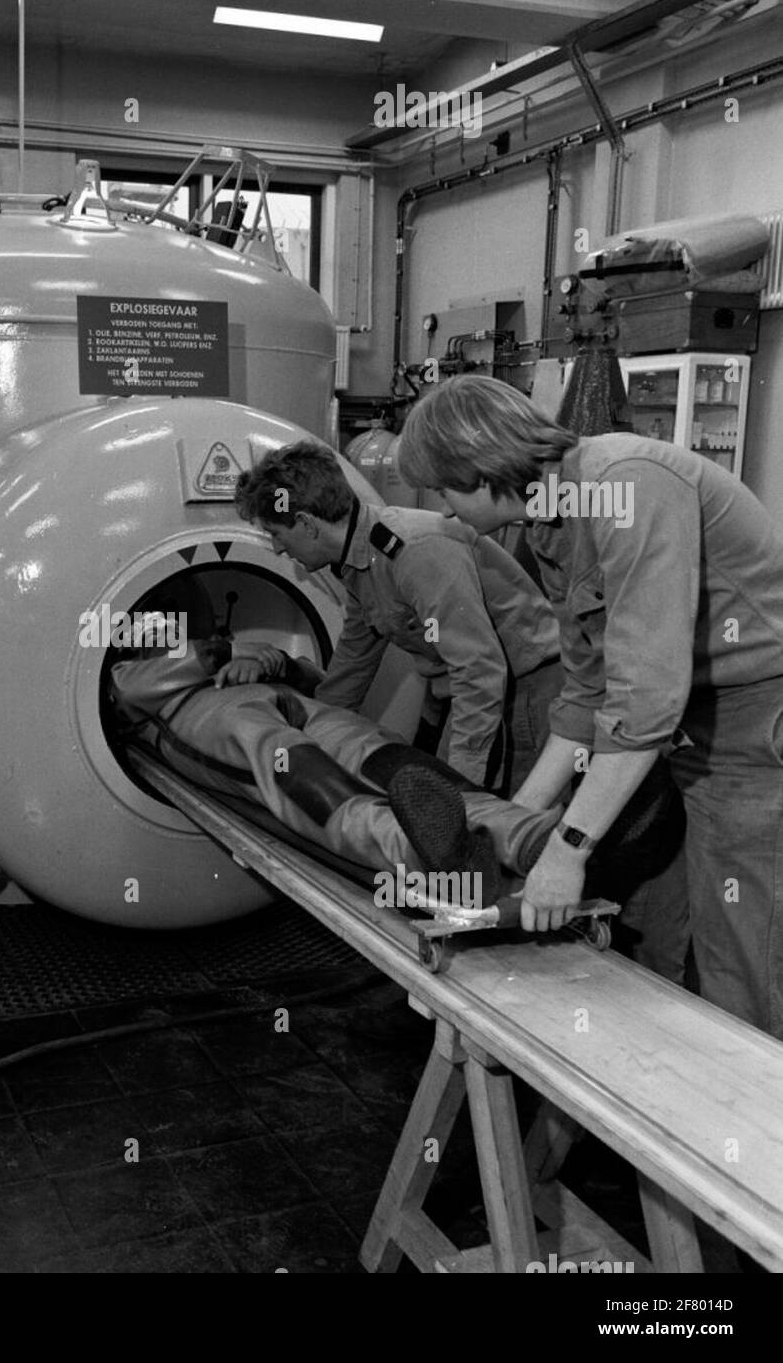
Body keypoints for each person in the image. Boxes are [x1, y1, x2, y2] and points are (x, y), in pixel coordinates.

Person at [396, 372, 783, 1039]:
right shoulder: (550, 525)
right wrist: (516, 822)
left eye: (448, 490)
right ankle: (663, 1073)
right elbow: (586, 694)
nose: (449, 512)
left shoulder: (627, 487)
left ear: (483, 469)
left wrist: (568, 849)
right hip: (682, 721)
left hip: (754, 716)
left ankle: (743, 1120)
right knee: (661, 915)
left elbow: (644, 693)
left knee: (739, 942)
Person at [107, 632, 675, 909]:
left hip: (287, 697)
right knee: (312, 784)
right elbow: (130, 687)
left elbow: (311, 673)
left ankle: (532, 838)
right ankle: (420, 852)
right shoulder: (126, 668)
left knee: (391, 761)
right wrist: (216, 651)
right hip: (198, 716)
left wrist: (274, 660)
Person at [234, 441, 562, 797]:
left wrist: (459, 788)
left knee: (502, 825)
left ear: (307, 524)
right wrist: (309, 732)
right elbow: (354, 662)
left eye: (277, 535)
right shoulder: (357, 563)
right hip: (468, 689)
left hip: (526, 692)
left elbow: (479, 670)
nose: (280, 549)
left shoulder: (414, 551)